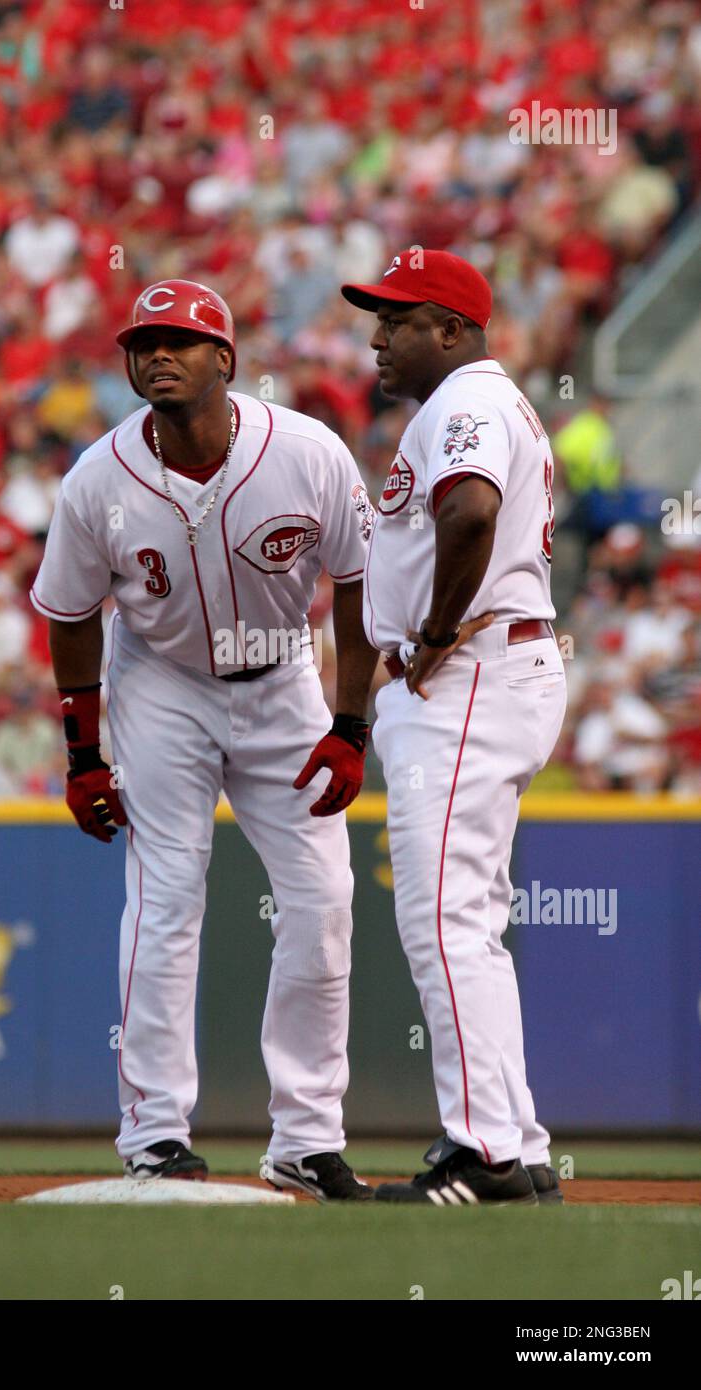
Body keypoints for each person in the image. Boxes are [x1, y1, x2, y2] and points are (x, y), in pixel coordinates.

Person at [31, 280, 378, 1201]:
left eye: (179, 340)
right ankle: (154, 1133)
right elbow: (67, 615)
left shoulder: (305, 451)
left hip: (283, 685)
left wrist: (351, 724)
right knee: (165, 897)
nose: (157, 355)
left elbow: (355, 586)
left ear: (225, 360)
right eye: (142, 343)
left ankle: (306, 1138)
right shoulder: (97, 477)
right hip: (161, 685)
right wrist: (82, 751)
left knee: (324, 900)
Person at [342, 249, 567, 1206]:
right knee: (468, 921)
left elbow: (469, 513)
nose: (377, 337)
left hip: (469, 667)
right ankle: (517, 1140)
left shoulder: (465, 401)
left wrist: (432, 635)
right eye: (377, 318)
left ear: (454, 330)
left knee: (443, 920)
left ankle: (484, 1152)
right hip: (490, 666)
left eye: (397, 319)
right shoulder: (471, 402)